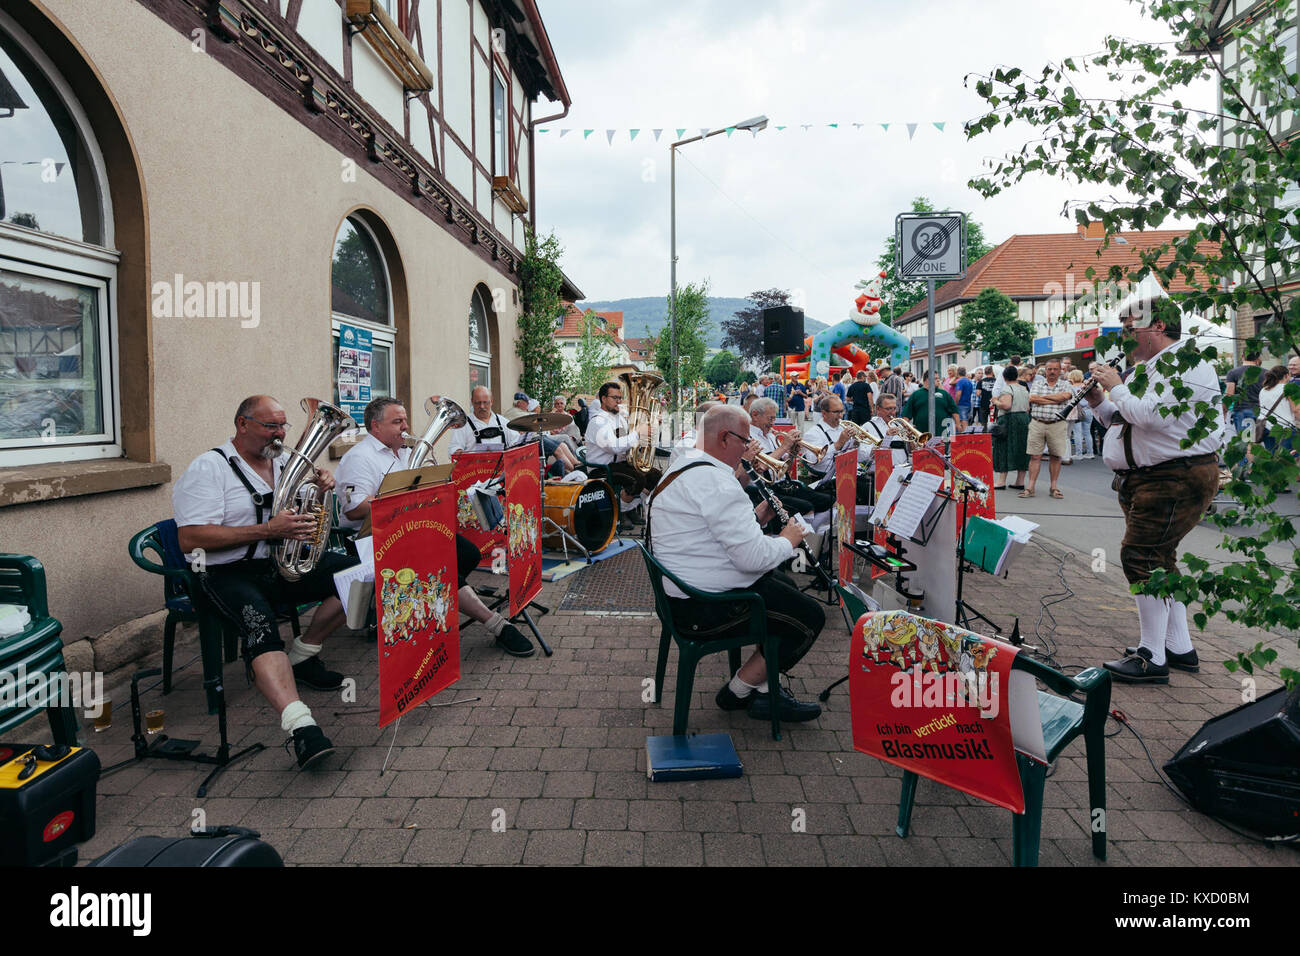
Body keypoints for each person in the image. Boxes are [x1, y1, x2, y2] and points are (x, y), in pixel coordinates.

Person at [172, 395, 359, 770]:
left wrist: (320, 489)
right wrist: (267, 530)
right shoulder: (209, 468)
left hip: (274, 566)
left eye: (283, 425)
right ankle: (301, 727)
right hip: (224, 573)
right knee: (261, 629)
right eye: (270, 426)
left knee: (359, 573)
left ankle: (303, 655)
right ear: (242, 424)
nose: (280, 434)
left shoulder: (284, 460)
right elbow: (190, 539)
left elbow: (299, 510)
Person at [649, 405, 825, 723]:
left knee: (782, 587)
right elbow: (752, 558)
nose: (748, 449)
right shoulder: (717, 482)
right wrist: (789, 540)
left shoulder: (685, 466)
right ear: (724, 437)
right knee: (810, 617)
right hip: (700, 608)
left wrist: (758, 516)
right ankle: (739, 690)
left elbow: (708, 532)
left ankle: (764, 689)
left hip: (682, 590)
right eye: (745, 441)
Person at [1087, 292, 1225, 684]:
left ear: (1157, 327)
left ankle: (1151, 656)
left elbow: (1150, 416)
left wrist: (1115, 385)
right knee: (1160, 559)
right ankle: (1179, 647)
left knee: (1141, 556)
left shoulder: (1187, 364)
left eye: (1130, 329)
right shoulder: (1152, 366)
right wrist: (1100, 400)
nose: (1125, 338)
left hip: (1175, 476)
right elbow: (1122, 417)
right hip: (1152, 478)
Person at [336, 396, 535, 656]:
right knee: (443, 569)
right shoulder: (359, 457)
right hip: (374, 538)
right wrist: (400, 495)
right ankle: (497, 625)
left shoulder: (406, 450)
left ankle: (433, 600)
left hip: (411, 529)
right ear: (375, 427)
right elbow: (353, 510)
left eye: (405, 419)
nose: (405, 426)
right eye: (397, 422)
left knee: (468, 554)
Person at [586, 379, 659, 531]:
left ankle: (629, 507)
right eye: (615, 398)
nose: (619, 401)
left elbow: (629, 441)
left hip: (619, 463)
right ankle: (621, 511)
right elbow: (614, 447)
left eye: (620, 398)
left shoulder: (619, 418)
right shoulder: (598, 422)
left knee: (655, 476)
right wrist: (638, 434)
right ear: (603, 399)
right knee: (636, 480)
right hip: (602, 467)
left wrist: (649, 428)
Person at [748, 397, 832, 516]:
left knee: (829, 500)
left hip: (785, 486)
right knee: (807, 507)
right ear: (755, 415)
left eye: (774, 418)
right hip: (766, 491)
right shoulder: (749, 437)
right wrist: (784, 447)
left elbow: (785, 469)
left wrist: (792, 454)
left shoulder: (771, 436)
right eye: (770, 418)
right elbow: (760, 467)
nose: (772, 423)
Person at [1023, 359, 1072, 498]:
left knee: (1056, 456)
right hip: (1037, 423)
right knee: (1034, 456)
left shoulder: (1065, 384)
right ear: (1045, 370)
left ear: (1059, 370)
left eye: (1055, 369)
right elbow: (1032, 398)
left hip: (1057, 424)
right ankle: (1030, 487)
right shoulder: (1038, 383)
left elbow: (1066, 396)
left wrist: (1042, 398)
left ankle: (1054, 487)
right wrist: (1055, 399)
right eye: (1049, 369)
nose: (1052, 372)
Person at [991, 367, 1030, 490]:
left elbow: (1006, 405)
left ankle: (1001, 481)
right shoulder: (1024, 389)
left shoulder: (1007, 389)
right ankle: (1020, 481)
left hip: (1009, 420)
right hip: (1024, 419)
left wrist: (995, 401)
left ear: (1004, 377)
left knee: (1003, 448)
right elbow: (1028, 408)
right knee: (1022, 448)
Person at [1256, 364, 1299, 459]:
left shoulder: (1264, 390)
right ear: (1286, 375)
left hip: (1266, 428)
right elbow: (1296, 410)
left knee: (1273, 458)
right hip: (1284, 428)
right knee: (1289, 460)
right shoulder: (1290, 388)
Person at [901, 371, 959, 438]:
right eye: (935, 378)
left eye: (938, 378)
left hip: (941, 434)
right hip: (921, 434)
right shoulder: (916, 395)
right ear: (927, 379)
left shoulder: (944, 394)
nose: (938, 380)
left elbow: (954, 410)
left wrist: (958, 425)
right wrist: (906, 428)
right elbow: (906, 414)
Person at [1224, 351, 1263, 438]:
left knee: (1245, 443)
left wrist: (1224, 412)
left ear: (1242, 356)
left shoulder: (1233, 373)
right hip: (1261, 411)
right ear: (1258, 358)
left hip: (1241, 411)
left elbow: (1229, 395)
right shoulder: (1266, 373)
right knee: (1260, 445)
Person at [1065, 369, 1096, 460]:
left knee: (1077, 433)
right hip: (1089, 410)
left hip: (1078, 411)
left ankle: (1079, 454)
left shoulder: (1070, 387)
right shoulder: (1086, 386)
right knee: (1087, 432)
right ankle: (1090, 452)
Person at [953, 365, 975, 429]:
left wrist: (955, 404)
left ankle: (965, 437)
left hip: (961, 404)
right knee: (965, 420)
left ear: (957, 373)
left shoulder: (960, 381)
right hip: (968, 403)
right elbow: (971, 392)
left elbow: (958, 394)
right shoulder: (969, 381)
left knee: (963, 421)